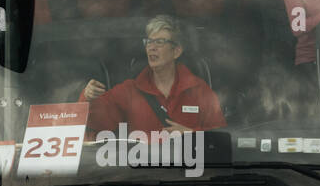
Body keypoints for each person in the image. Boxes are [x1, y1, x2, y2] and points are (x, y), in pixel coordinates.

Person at [81, 16, 226, 134]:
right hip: (143, 168)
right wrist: (89, 98)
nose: (151, 47)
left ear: (176, 51)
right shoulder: (129, 90)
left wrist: (191, 134)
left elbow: (220, 136)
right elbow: (100, 123)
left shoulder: (199, 90)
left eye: (159, 42)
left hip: (187, 167)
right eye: (149, 42)